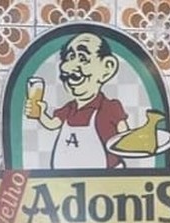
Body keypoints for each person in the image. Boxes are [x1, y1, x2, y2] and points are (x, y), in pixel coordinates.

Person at [29, 31, 128, 169]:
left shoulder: (110, 107)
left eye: (82, 58)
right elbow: (52, 124)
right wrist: (40, 113)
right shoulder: (69, 109)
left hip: (108, 181)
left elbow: (125, 136)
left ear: (107, 68)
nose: (67, 67)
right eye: (70, 57)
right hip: (65, 183)